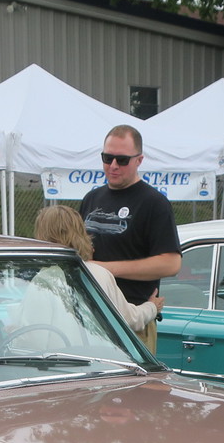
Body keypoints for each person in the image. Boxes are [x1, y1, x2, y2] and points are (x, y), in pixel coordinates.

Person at [78, 124, 181, 350]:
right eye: (107, 158)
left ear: (139, 160)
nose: (113, 165)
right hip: (91, 318)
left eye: (122, 160)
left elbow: (171, 263)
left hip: (134, 323)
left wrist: (104, 269)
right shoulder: (91, 199)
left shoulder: (154, 203)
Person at [33, 204, 163, 335]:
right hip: (96, 346)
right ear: (80, 232)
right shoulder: (98, 274)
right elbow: (129, 319)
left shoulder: (41, 279)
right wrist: (152, 307)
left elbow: (31, 332)